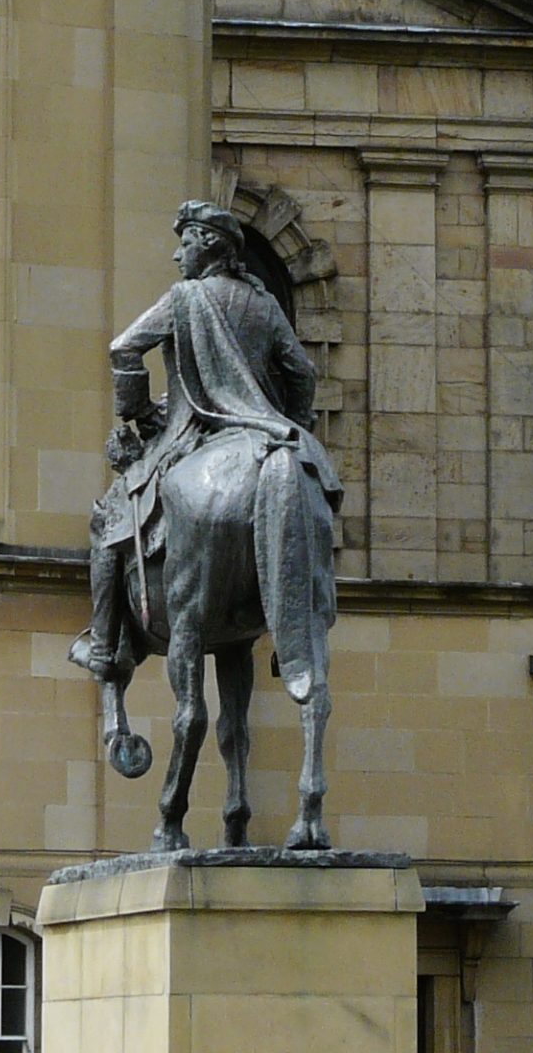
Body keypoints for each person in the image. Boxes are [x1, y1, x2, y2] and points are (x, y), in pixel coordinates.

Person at [87, 200, 341, 696]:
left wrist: (137, 412)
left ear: (207, 246)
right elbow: (302, 375)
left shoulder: (184, 298)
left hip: (189, 431)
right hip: (270, 431)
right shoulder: (264, 304)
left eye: (185, 244)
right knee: (320, 498)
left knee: (107, 522)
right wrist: (289, 421)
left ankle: (102, 644)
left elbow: (123, 348)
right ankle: (304, 621)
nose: (178, 256)